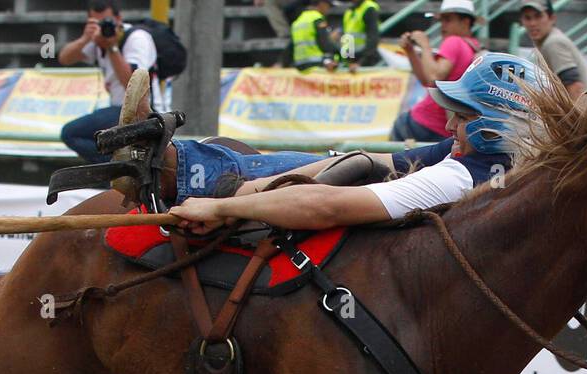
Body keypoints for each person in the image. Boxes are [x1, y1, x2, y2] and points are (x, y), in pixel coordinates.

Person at [167, 53, 538, 233]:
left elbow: (324, 207)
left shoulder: (456, 178)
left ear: (494, 127)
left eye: (464, 115)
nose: (449, 122)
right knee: (352, 162)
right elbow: (367, 160)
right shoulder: (500, 162)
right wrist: (245, 193)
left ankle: (174, 167)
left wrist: (220, 210)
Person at [58, 2, 163, 162]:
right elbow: (65, 58)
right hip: (119, 111)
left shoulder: (137, 38)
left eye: (107, 22)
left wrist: (112, 48)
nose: (103, 27)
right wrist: (85, 39)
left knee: (71, 133)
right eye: (97, 23)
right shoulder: (98, 39)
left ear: (119, 19)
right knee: (75, 134)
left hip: (142, 110)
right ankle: (121, 168)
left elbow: (132, 84)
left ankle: (117, 169)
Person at [392, 0, 481, 142]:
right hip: (442, 129)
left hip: (422, 125)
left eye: (448, 20)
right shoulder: (472, 46)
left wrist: (425, 45)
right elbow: (427, 81)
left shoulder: (453, 41)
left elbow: (433, 77)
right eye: (442, 20)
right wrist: (410, 51)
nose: (442, 25)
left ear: (465, 22)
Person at [519, 1, 587, 97]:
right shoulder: (547, 42)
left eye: (538, 16)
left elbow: (575, 87)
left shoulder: (553, 43)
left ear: (552, 18)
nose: (532, 23)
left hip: (583, 109)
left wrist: (575, 112)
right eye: (527, 18)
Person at [292, 0, 342, 71]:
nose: (328, 10)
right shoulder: (317, 19)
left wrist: (280, 63)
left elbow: (291, 45)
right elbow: (324, 43)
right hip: (317, 64)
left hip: (300, 67)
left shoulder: (298, 21)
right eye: (328, 6)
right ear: (322, 3)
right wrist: (341, 53)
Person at [341, 0, 381, 69]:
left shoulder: (369, 8)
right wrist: (348, 61)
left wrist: (360, 63)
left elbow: (373, 38)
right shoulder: (349, 11)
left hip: (365, 61)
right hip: (351, 61)